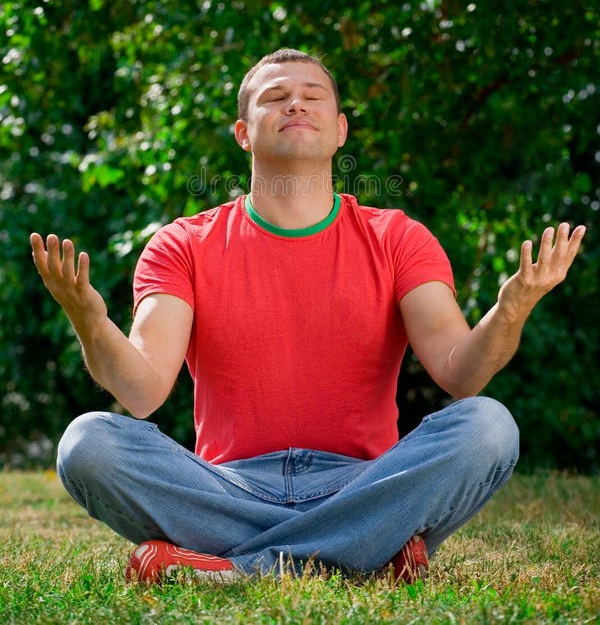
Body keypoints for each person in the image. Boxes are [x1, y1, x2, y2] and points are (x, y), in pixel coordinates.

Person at [30, 48, 586, 585]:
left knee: (488, 426)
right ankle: (364, 547)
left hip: (367, 482)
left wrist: (511, 310)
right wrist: (88, 318)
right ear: (244, 132)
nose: (296, 105)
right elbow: (143, 390)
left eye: (312, 96)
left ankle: (244, 562)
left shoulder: (398, 237)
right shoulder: (184, 244)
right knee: (88, 443)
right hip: (229, 487)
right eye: (276, 97)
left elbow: (461, 374)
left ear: (340, 129)